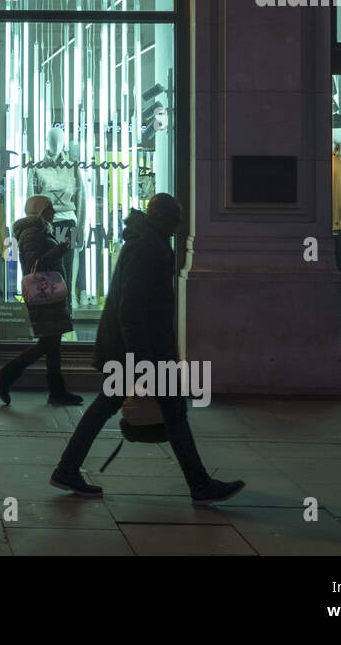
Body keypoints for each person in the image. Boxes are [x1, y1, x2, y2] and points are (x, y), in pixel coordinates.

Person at [50, 194, 246, 504]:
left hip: (137, 349)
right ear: (162, 218)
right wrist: (141, 358)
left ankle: (67, 469)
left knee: (111, 407)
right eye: (174, 220)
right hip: (143, 351)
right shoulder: (146, 248)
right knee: (173, 413)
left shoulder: (146, 242)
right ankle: (200, 484)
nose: (177, 227)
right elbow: (132, 308)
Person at [0, 195, 84, 406]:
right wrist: (60, 249)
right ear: (40, 211)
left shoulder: (37, 231)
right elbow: (35, 263)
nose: (53, 212)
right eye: (49, 208)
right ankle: (5, 376)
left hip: (48, 295)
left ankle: (56, 390)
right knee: (48, 343)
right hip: (44, 295)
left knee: (51, 344)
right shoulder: (32, 232)